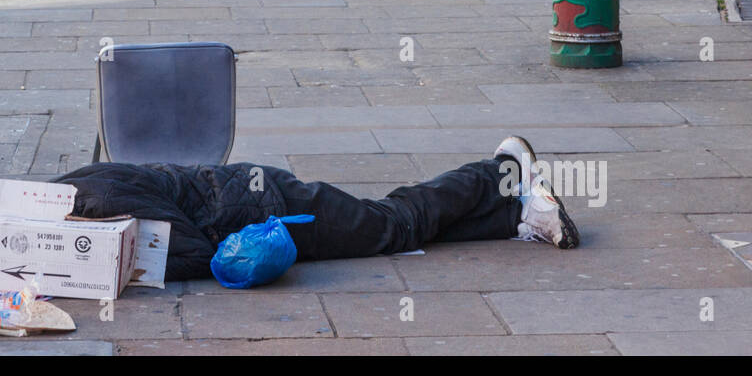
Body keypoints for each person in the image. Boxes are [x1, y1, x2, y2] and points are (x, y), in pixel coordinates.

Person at [59, 135, 578, 281]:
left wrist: (109, 265)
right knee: (391, 228)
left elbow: (193, 252)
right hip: (256, 203)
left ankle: (500, 172)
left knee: (393, 223)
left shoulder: (101, 204)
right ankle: (519, 216)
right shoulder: (76, 191)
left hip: (276, 211)